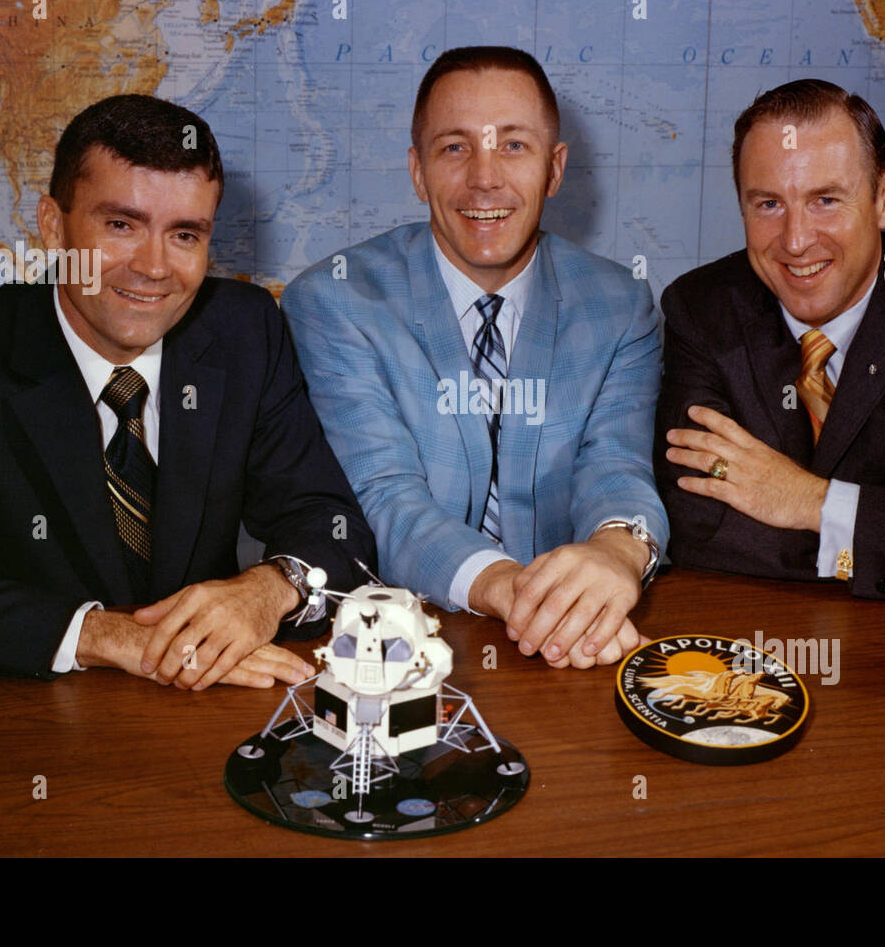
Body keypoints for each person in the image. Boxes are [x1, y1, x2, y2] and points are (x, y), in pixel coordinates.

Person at [0, 95, 375, 687]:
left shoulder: (244, 330)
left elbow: (328, 521)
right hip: (20, 720)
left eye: (185, 234)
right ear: (52, 226)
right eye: (121, 225)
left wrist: (271, 589)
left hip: (202, 708)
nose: (153, 267)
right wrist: (108, 636)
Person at [281, 46, 668, 669]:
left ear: (555, 168)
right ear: (417, 170)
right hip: (400, 653)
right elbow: (385, 497)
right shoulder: (334, 301)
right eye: (455, 147)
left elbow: (616, 465)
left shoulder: (621, 304)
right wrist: (518, 591)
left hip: (575, 650)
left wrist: (618, 551)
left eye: (513, 146)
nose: (484, 178)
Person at [656, 79, 885, 603]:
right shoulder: (699, 308)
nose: (795, 240)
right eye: (768, 204)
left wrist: (811, 502)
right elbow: (700, 532)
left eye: (825, 200)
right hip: (753, 640)